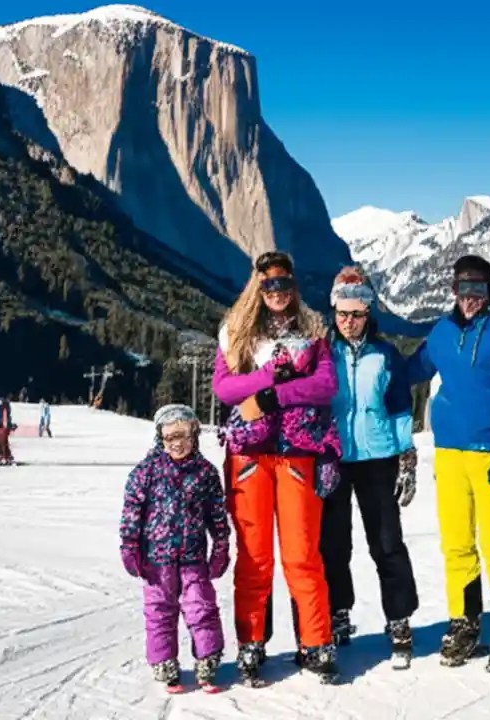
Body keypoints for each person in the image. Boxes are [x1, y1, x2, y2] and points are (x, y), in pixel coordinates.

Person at [406, 254, 490, 675]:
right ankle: (465, 622)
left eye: (478, 290)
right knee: (457, 546)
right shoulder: (443, 333)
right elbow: (414, 368)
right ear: (453, 290)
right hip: (449, 456)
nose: (470, 299)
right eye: (464, 290)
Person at [211, 251, 342, 685]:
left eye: (284, 284)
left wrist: (271, 398)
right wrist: (269, 375)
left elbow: (325, 386)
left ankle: (316, 641)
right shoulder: (237, 333)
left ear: (294, 286)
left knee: (303, 554)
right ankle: (251, 642)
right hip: (249, 455)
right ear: (258, 288)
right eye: (269, 285)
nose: (278, 293)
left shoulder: (314, 332)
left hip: (298, 451)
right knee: (254, 557)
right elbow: (226, 388)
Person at [321, 266, 420, 667]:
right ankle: (337, 612)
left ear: (369, 312)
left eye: (357, 313)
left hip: (378, 459)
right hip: (333, 459)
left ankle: (398, 618)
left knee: (387, 543)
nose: (349, 322)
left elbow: (400, 410)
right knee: (333, 544)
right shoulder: (322, 354)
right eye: (342, 314)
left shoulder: (386, 354)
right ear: (333, 312)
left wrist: (406, 460)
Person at [119, 405, 230, 692]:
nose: (177, 443)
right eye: (170, 437)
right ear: (160, 438)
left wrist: (220, 546)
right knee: (159, 611)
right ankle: (165, 664)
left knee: (201, 608)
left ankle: (207, 661)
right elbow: (132, 511)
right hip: (156, 559)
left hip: (193, 557)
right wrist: (130, 546)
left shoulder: (205, 473)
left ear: (195, 435)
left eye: (183, 435)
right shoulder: (146, 472)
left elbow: (217, 515)